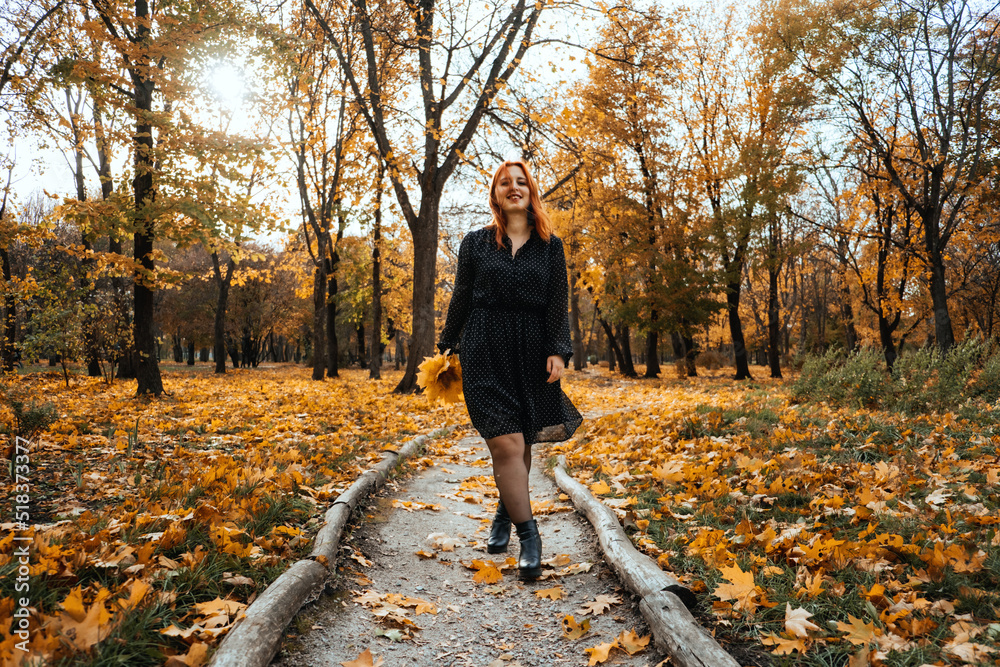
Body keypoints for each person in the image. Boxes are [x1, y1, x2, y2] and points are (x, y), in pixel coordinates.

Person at [437, 159, 583, 580]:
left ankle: (504, 512)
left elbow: (558, 303)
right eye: (505, 183)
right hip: (484, 347)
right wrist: (447, 347)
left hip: (533, 350)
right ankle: (529, 536)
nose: (514, 188)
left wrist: (559, 350)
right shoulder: (476, 242)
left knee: (523, 441)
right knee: (505, 444)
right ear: (496, 194)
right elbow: (461, 297)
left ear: (531, 191)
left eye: (521, 182)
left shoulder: (550, 246)